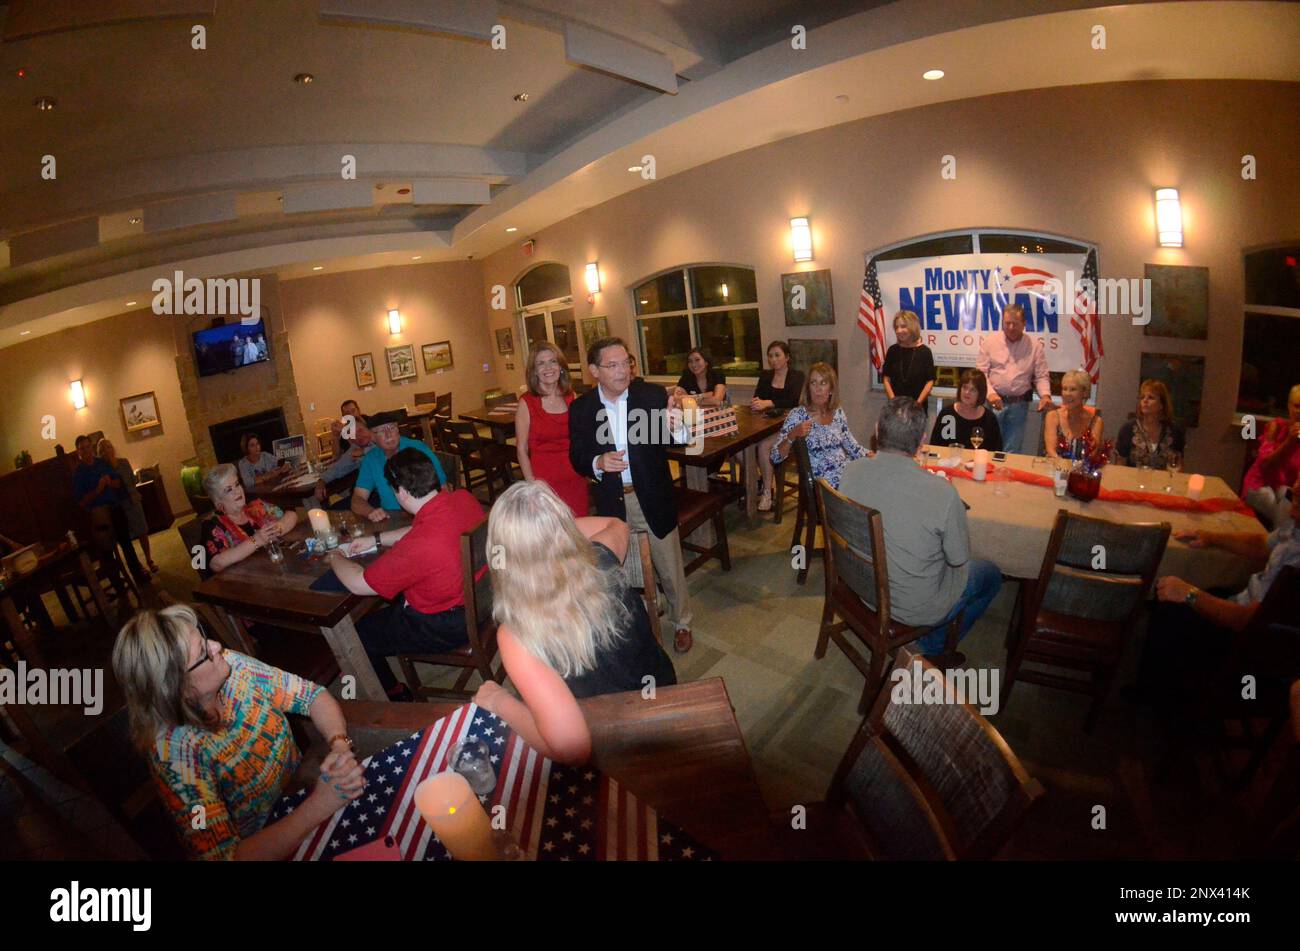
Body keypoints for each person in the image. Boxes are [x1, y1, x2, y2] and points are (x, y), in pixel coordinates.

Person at [112, 603, 364, 860]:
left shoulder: (232, 668)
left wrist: (339, 745)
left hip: (303, 788)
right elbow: (225, 856)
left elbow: (312, 696)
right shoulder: (175, 754)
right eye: (204, 652)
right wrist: (320, 805)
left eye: (204, 639)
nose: (217, 647)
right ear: (179, 687)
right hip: (271, 840)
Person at [473, 481, 676, 765]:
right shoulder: (602, 558)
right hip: (664, 695)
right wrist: (552, 530)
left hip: (615, 738)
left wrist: (499, 701)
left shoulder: (516, 635)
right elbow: (617, 526)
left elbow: (573, 748)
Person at [839, 397, 1003, 656]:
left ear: (877, 430)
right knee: (991, 574)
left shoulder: (850, 471)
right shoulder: (943, 493)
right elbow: (958, 558)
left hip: (861, 586)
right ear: (922, 441)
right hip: (912, 606)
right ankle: (930, 647)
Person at [569, 337, 695, 654]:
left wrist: (678, 426)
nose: (622, 370)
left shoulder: (650, 395)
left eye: (625, 362)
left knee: (669, 563)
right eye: (612, 365)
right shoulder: (582, 408)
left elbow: (671, 438)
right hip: (613, 501)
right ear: (594, 371)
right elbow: (577, 455)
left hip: (651, 493)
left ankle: (683, 622)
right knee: (621, 569)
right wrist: (597, 462)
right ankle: (637, 625)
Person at [1128, 472, 1300, 704]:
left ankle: (1159, 698)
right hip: (1242, 607)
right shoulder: (1295, 529)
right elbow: (1262, 544)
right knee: (1201, 588)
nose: (1295, 487)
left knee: (1171, 608)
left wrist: (1189, 594)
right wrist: (1211, 537)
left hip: (1252, 643)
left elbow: (1249, 620)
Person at [331, 448, 485, 701]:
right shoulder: (460, 498)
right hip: (479, 604)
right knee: (383, 612)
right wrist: (376, 540)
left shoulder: (420, 545)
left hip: (445, 624)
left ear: (400, 492)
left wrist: (335, 555)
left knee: (358, 634)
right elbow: (417, 531)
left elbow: (359, 583)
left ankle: (396, 694)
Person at [516, 342, 589, 518]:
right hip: (544, 482)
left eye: (553, 361)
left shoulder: (572, 397)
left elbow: (583, 438)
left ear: (561, 367)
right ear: (534, 370)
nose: (548, 368)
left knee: (578, 528)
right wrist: (532, 486)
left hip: (575, 477)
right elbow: (521, 449)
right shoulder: (526, 402)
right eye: (541, 363)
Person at [769, 362, 867, 491]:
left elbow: (852, 446)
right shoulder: (798, 415)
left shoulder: (837, 412)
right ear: (808, 388)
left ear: (831, 389)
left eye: (823, 383)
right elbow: (775, 457)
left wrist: (873, 456)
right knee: (867, 490)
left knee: (874, 478)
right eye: (813, 383)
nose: (818, 389)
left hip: (845, 474)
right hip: (822, 484)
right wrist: (792, 435)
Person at [976, 303, 1054, 453]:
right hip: (993, 403)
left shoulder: (1034, 346)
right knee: (988, 447)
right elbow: (981, 373)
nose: (1011, 327)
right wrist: (990, 393)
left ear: (1024, 324)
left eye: (1015, 323)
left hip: (1019, 406)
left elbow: (1041, 375)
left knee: (1012, 450)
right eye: (1007, 323)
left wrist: (1045, 395)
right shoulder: (990, 342)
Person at [72, 433, 149, 584]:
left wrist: (109, 483)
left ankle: (138, 575)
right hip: (98, 514)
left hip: (115, 508)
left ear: (91, 448)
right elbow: (80, 502)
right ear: (78, 452)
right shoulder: (79, 474)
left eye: (88, 447)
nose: (86, 451)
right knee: (107, 550)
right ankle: (117, 582)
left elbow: (118, 483)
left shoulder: (102, 463)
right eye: (82, 449)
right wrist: (97, 490)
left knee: (126, 543)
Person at [200, 463, 298, 573]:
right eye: (228, 489)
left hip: (274, 569)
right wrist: (257, 540)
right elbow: (217, 563)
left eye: (237, 484)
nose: (237, 491)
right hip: (244, 582)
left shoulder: (255, 507)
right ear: (218, 501)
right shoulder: (213, 524)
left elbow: (291, 514)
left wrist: (279, 527)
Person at [351, 411, 446, 522]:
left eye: (391, 428)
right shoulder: (371, 459)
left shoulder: (418, 449)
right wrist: (371, 511)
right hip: (392, 519)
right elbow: (357, 499)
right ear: (372, 437)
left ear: (398, 430)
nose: (389, 434)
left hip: (425, 515)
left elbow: (443, 487)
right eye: (382, 431)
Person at [751, 340, 805, 512]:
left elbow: (793, 401)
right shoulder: (765, 376)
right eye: (770, 356)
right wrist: (758, 403)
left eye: (777, 355)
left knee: (764, 447)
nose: (773, 359)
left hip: (788, 427)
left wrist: (769, 402)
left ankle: (767, 492)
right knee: (742, 447)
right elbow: (757, 397)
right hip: (766, 423)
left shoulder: (797, 376)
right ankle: (757, 481)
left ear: (787, 357)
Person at [97, 437, 158, 574]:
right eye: (103, 449)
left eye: (108, 447)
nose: (107, 451)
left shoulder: (123, 462)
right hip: (119, 505)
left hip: (132, 499)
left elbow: (132, 479)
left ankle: (149, 559)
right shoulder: (103, 470)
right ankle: (138, 564)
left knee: (142, 530)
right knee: (127, 538)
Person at [1242, 384, 1300, 523]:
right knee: (1279, 505)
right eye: (1297, 406)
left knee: (1285, 494)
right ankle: (1281, 540)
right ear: (1289, 406)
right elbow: (1265, 468)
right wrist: (1289, 442)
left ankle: (1278, 540)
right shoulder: (1276, 427)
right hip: (1260, 486)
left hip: (1285, 491)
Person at [1115, 379, 1185, 469]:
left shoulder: (1175, 431)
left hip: (1164, 482)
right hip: (1132, 481)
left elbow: (1179, 468)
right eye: (1142, 397)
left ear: (1161, 405)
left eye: (1151, 397)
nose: (1145, 401)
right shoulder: (1127, 429)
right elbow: (1120, 466)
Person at [930, 368, 1003, 451]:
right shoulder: (947, 414)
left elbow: (996, 450)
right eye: (964, 387)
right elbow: (934, 446)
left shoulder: (989, 418)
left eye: (973, 390)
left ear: (980, 393)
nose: (967, 392)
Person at [313, 416, 373, 508]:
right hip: (366, 493)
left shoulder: (379, 440)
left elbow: (381, 448)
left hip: (384, 491)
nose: (358, 436)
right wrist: (321, 481)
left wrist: (364, 452)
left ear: (369, 429)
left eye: (360, 430)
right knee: (332, 511)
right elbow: (338, 468)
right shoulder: (355, 448)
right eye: (353, 435)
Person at [1044, 369, 1103, 460]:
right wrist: (1064, 468)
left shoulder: (1096, 422)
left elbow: (1092, 454)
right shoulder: (1053, 416)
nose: (1067, 394)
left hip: (1083, 470)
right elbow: (1051, 451)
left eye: (1073, 389)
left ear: (1084, 393)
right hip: (1056, 468)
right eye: (1064, 389)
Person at [882, 310, 935, 406]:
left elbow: (930, 381)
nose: (898, 331)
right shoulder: (892, 351)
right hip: (895, 408)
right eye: (896, 327)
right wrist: (893, 401)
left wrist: (917, 404)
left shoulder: (925, 352)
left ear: (913, 328)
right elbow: (886, 379)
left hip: (918, 408)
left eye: (903, 326)